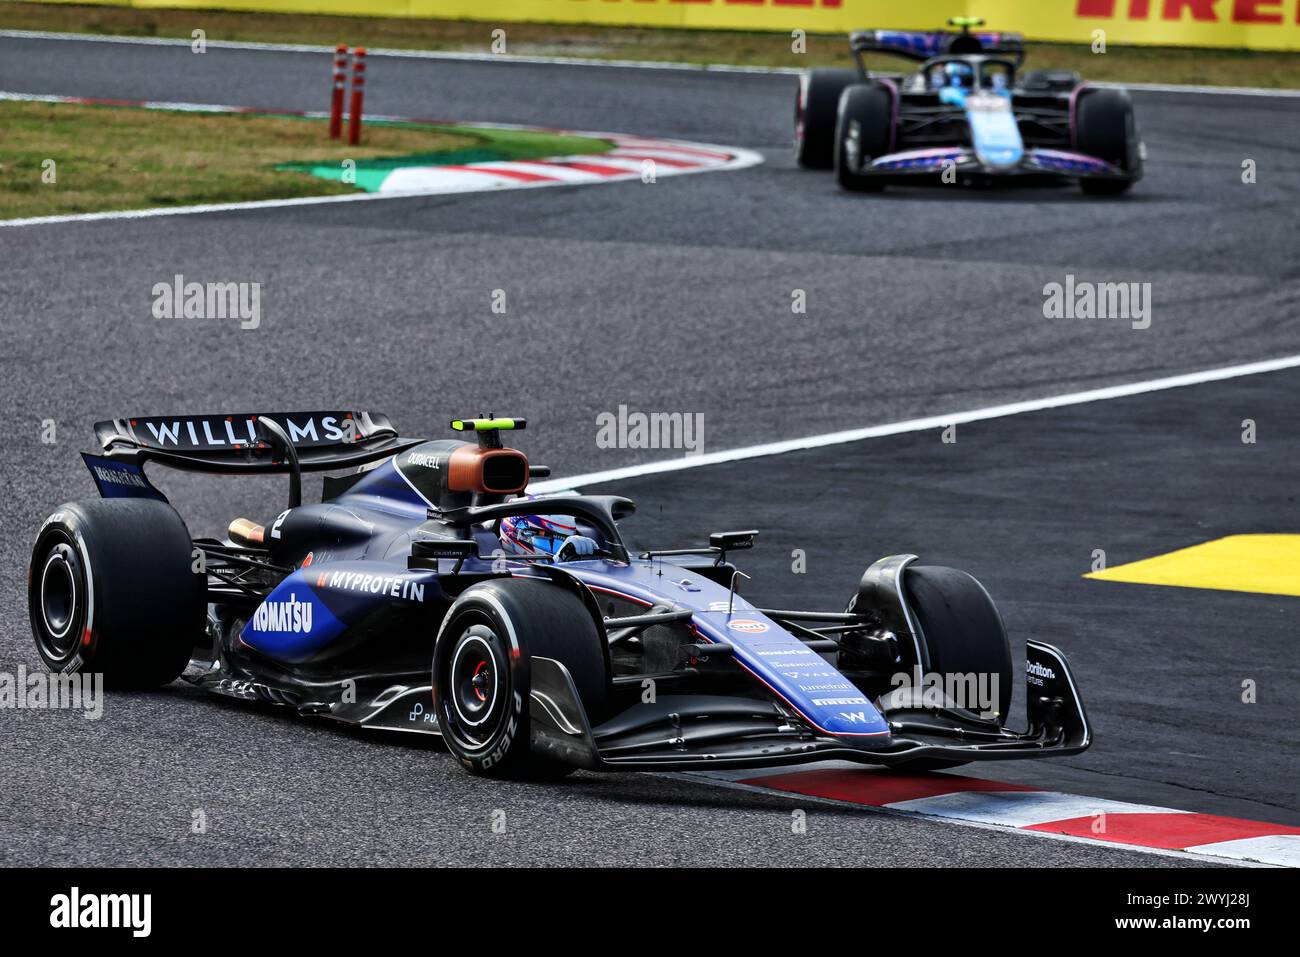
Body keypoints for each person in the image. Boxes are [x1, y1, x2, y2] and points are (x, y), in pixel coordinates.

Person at [498, 513, 600, 561]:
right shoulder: (498, 570)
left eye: (563, 543)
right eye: (553, 543)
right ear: (523, 535)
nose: (560, 550)